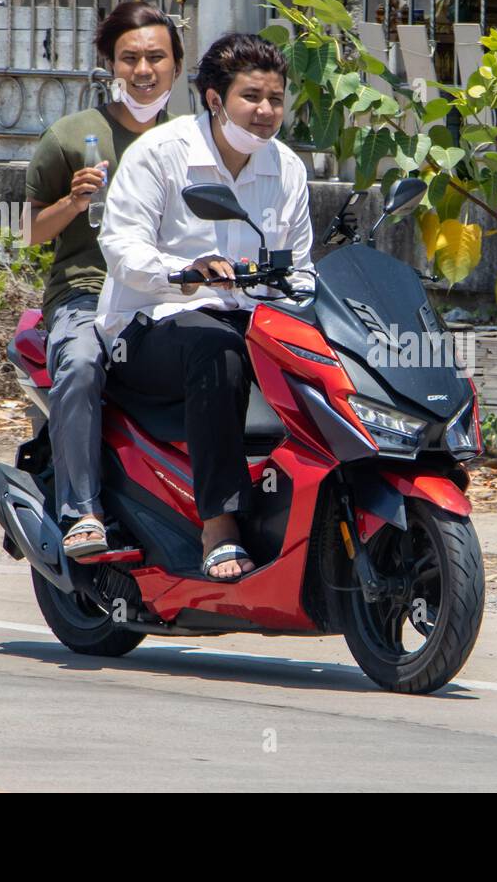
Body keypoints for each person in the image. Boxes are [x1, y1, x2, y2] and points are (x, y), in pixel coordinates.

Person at [96, 32, 314, 581]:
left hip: (250, 325)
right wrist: (183, 275)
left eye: (276, 99)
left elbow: (303, 265)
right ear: (215, 100)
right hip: (148, 326)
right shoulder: (160, 154)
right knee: (217, 347)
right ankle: (219, 526)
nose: (266, 111)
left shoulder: (287, 168)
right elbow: (121, 246)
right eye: (252, 97)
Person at [24, 2, 184, 557]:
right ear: (110, 66)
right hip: (87, 290)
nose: (144, 71)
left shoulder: (194, 142)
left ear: (177, 67)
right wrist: (73, 200)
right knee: (84, 363)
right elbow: (33, 233)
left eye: (156, 58)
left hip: (170, 291)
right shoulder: (71, 137)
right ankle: (82, 513)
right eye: (130, 58)